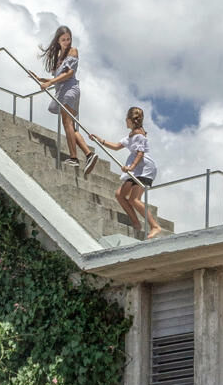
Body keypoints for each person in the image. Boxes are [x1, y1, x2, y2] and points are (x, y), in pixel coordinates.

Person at [29, 26, 98, 176]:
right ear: (58, 41)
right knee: (70, 126)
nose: (67, 42)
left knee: (67, 123)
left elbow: (69, 74)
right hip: (63, 90)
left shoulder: (73, 51)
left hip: (70, 90)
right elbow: (58, 79)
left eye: (68, 39)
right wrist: (42, 79)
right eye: (64, 39)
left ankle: (74, 158)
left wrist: (49, 83)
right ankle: (88, 154)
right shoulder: (58, 58)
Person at [90, 107, 162, 239]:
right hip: (136, 168)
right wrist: (100, 140)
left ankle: (155, 226)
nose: (125, 121)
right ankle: (136, 223)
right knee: (120, 194)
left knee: (134, 199)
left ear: (130, 120)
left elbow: (141, 153)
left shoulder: (139, 135)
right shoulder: (131, 135)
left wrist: (131, 167)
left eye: (126, 119)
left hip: (144, 168)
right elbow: (117, 146)